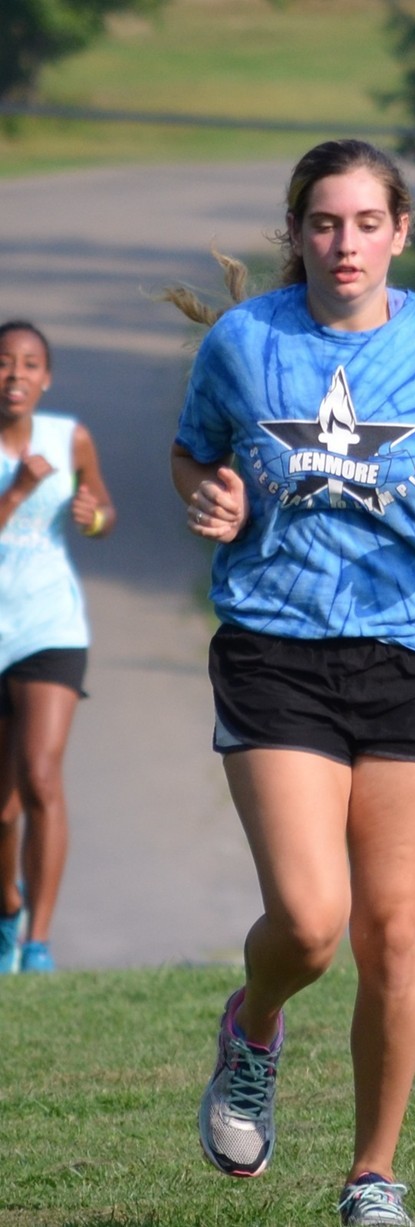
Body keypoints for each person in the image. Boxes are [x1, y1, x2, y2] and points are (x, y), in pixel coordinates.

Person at [168, 139, 415, 1226]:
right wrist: (209, 498)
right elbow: (195, 452)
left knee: (392, 935)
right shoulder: (244, 341)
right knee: (309, 922)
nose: (342, 244)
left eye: (364, 223)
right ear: (296, 231)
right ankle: (253, 1029)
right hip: (277, 648)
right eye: (321, 223)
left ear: (400, 232)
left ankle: (372, 1176)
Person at [0, 320, 116, 974]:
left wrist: (93, 516)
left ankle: (38, 943)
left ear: (46, 378)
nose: (15, 374)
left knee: (41, 776)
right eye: (3, 363)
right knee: (2, 807)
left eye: (29, 364)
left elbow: (102, 512)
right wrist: (18, 489)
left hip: (50, 627)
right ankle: (7, 907)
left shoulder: (68, 437)